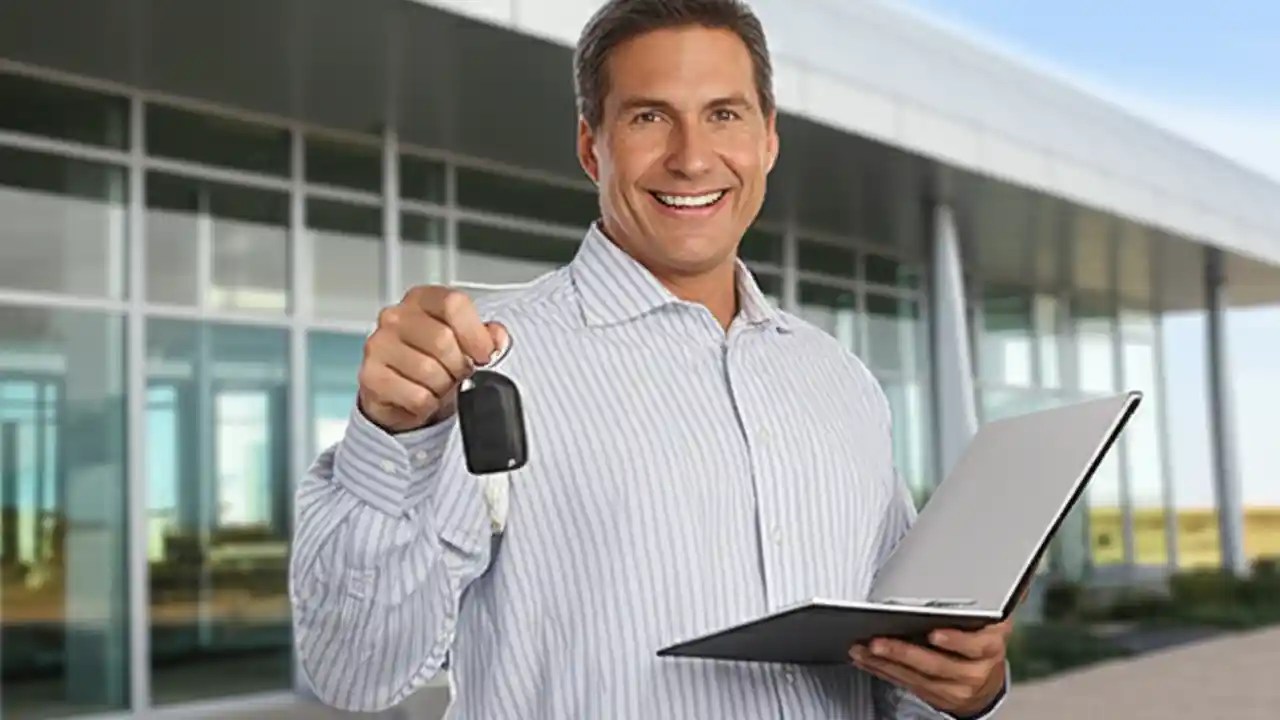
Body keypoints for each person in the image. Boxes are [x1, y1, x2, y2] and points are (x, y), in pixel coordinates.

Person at [290, 0, 1012, 717]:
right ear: (590, 146)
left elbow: (895, 663)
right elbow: (356, 672)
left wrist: (965, 692)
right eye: (648, 117)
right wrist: (394, 437)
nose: (692, 158)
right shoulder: (482, 365)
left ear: (768, 139)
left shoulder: (839, 380)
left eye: (724, 115)